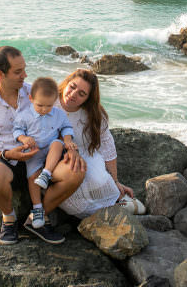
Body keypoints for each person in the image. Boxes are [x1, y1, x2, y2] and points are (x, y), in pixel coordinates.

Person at [0, 46, 86, 245]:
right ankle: (9, 218)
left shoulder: (35, 91)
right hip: (5, 162)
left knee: (76, 171)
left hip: (43, 160)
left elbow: (61, 120)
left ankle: (37, 217)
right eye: (18, 71)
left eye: (24, 69)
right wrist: (7, 154)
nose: (25, 75)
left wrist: (71, 147)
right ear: (0, 74)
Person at [55, 68, 135, 219]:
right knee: (74, 198)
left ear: (88, 98)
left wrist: (115, 180)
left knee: (100, 181)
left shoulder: (93, 114)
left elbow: (107, 144)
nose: (73, 95)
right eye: (72, 87)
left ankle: (112, 206)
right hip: (54, 158)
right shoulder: (48, 100)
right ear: (66, 83)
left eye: (81, 94)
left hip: (84, 154)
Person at [13, 77, 76, 229]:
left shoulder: (59, 114)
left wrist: (67, 139)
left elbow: (67, 127)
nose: (44, 109)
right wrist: (24, 138)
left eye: (49, 105)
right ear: (31, 98)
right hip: (33, 152)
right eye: (39, 105)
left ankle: (46, 173)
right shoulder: (24, 115)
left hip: (51, 151)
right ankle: (37, 208)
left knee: (57, 143)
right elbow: (17, 130)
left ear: (55, 101)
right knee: (32, 176)